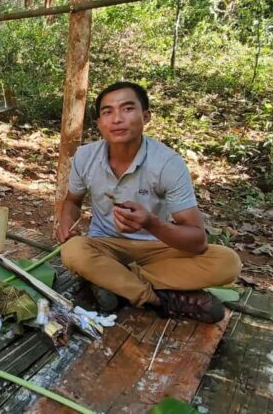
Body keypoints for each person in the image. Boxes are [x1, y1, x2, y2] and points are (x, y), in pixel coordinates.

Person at [56, 81, 241, 324]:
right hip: (105, 246)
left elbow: (197, 241)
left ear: (146, 116)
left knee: (227, 263)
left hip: (158, 250)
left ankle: (118, 282)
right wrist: (65, 223)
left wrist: (152, 223)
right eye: (107, 112)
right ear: (99, 123)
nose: (117, 119)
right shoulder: (85, 156)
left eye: (128, 109)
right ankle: (158, 299)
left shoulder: (167, 164)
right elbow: (72, 201)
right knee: (72, 251)